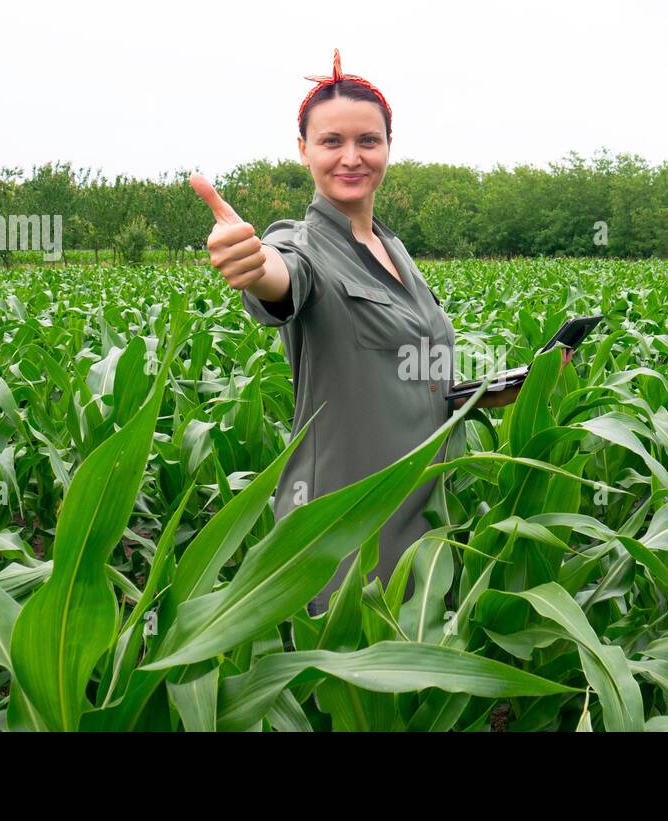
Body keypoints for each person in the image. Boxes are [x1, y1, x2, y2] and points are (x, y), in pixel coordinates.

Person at [192, 49, 538, 617]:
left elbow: (417, 376)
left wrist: (496, 390)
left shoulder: (394, 249)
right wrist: (254, 268)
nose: (351, 157)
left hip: (424, 520)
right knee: (350, 687)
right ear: (303, 150)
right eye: (331, 142)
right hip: (344, 528)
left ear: (388, 147)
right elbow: (280, 279)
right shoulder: (298, 244)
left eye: (367, 141)